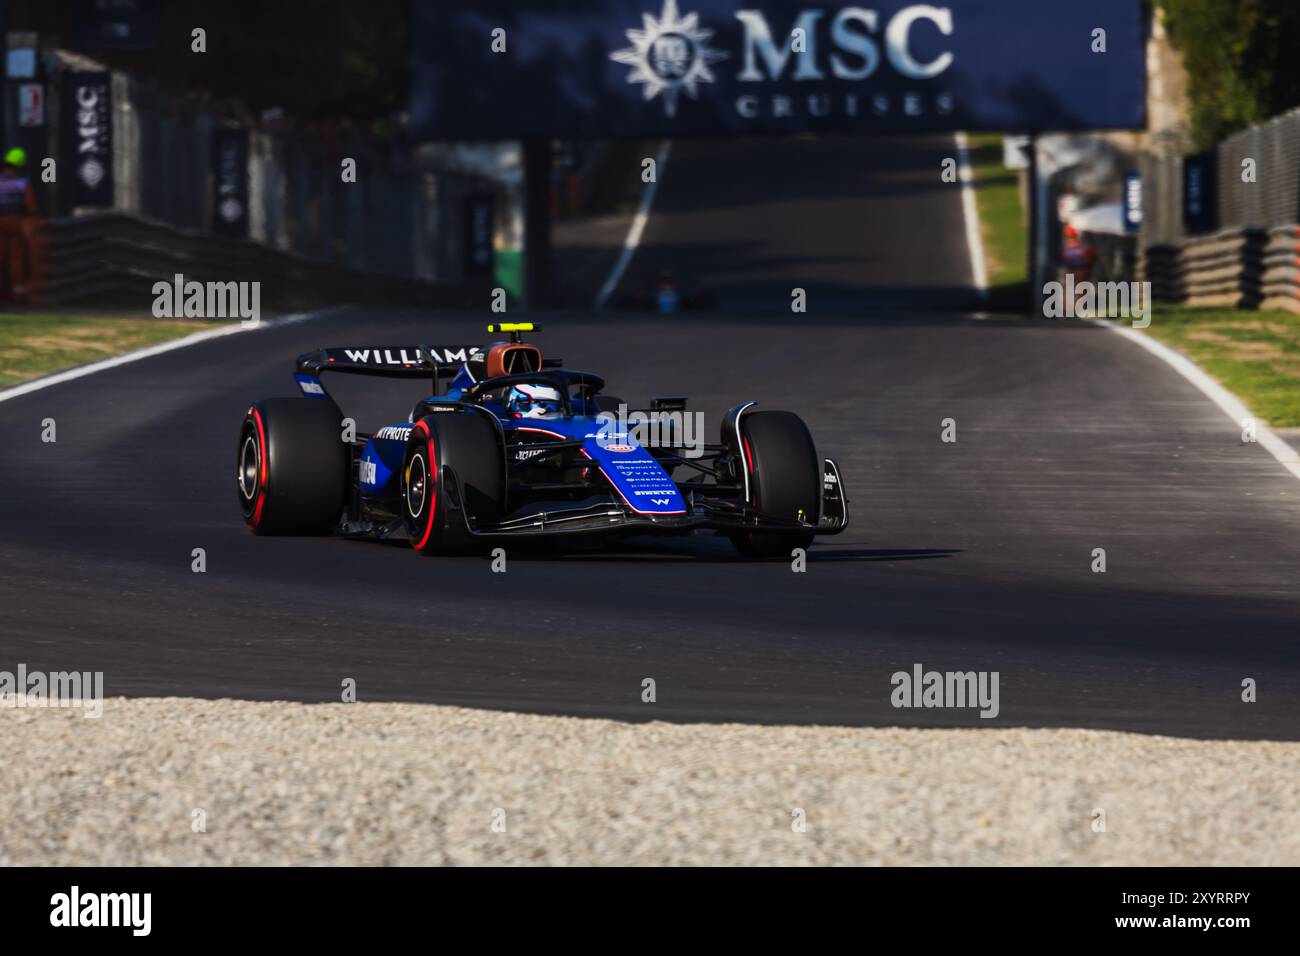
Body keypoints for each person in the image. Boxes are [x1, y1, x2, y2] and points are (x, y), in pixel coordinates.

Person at [0, 147, 39, 301]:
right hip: (16, 222)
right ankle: (18, 293)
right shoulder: (22, 184)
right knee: (17, 258)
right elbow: (31, 207)